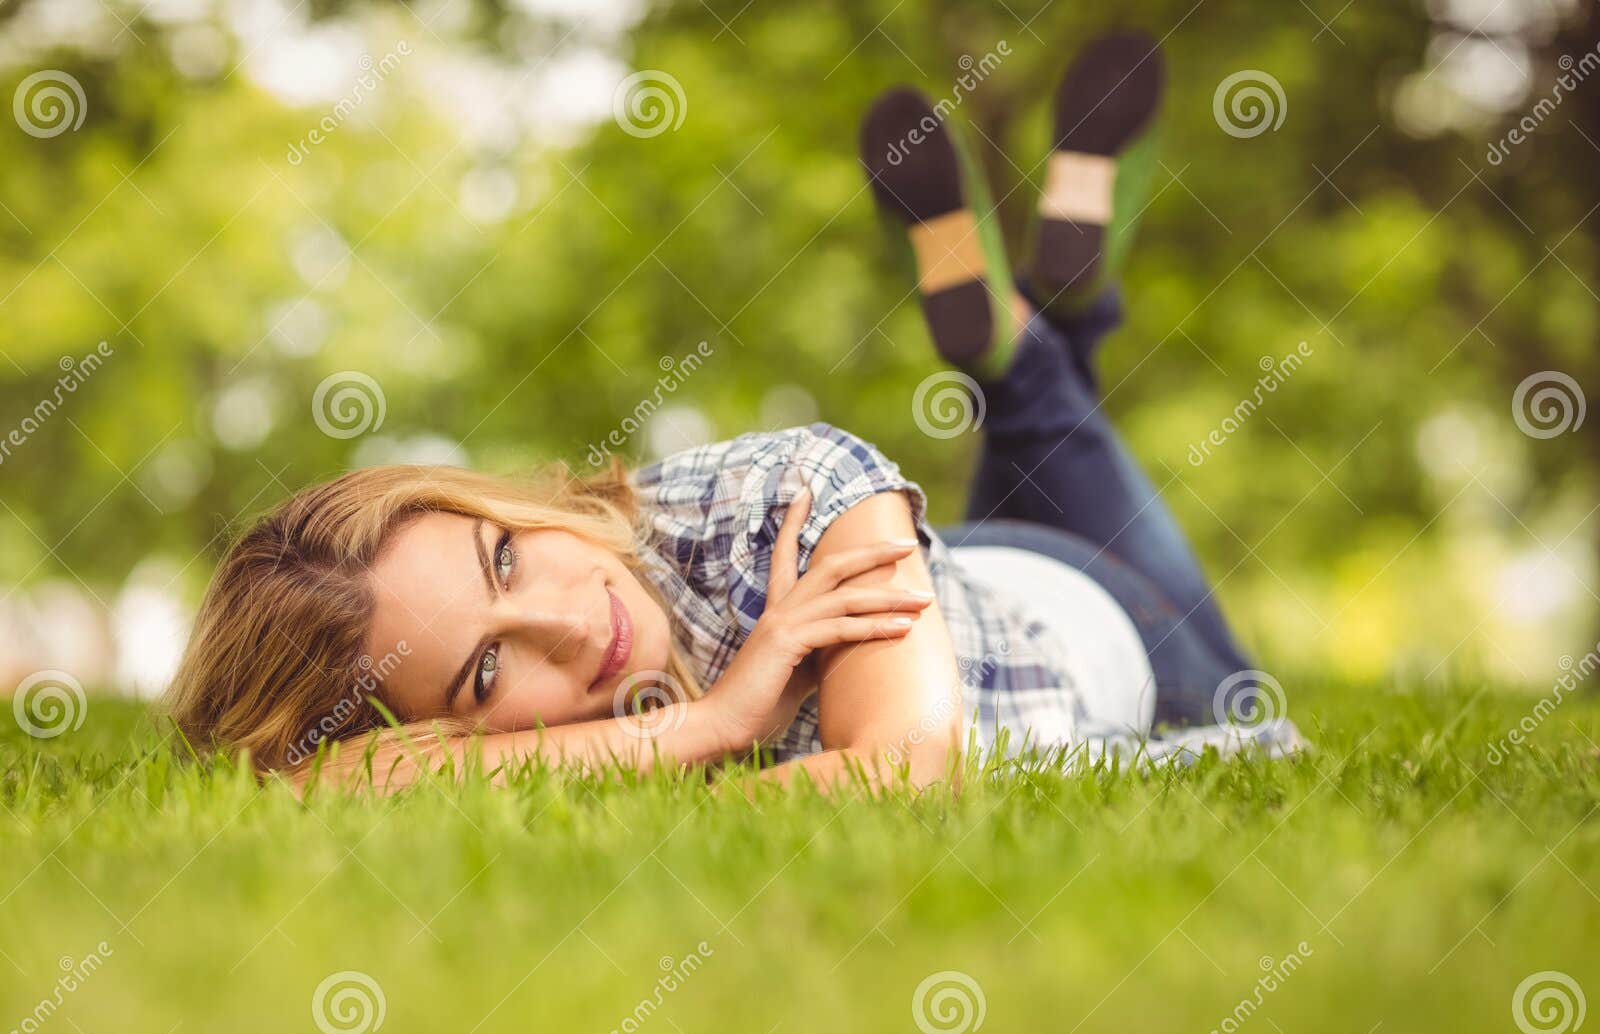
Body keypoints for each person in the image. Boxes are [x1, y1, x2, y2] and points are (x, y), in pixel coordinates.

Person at [166, 32, 1300, 794]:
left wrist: (684, 745)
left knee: (1045, 414)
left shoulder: (777, 495)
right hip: (969, 581)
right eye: (485, 674)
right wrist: (711, 722)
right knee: (1049, 396)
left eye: (506, 556)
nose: (567, 625)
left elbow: (907, 769)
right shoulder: (535, 736)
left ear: (502, 499)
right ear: (437, 733)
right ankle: (1060, 300)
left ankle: (1032, 339)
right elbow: (318, 781)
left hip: (1104, 621)